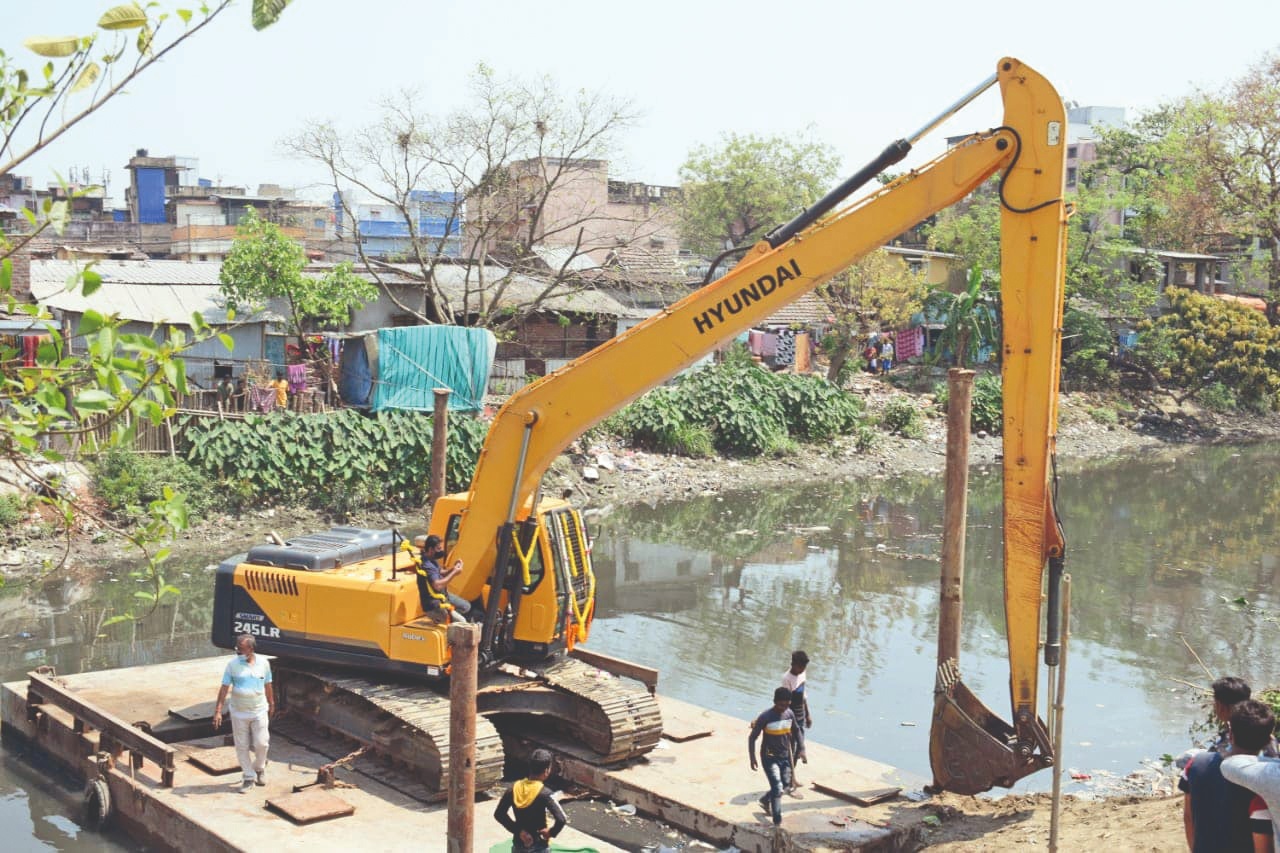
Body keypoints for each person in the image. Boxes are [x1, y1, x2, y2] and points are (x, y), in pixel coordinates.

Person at [1182, 698, 1276, 851]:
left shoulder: (1196, 765)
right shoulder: (1262, 783)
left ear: (1230, 733)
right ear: (1268, 740)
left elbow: (1188, 818)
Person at [212, 633, 275, 793]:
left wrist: (272, 703)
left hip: (259, 710)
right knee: (242, 745)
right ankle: (248, 777)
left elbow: (268, 684)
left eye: (241, 650)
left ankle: (259, 768)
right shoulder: (232, 665)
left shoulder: (264, 664)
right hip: (239, 712)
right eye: (237, 649)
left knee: (262, 743)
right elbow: (224, 688)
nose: (237, 652)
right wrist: (218, 710)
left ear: (251, 649)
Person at [493, 748, 567, 853]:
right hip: (539, 844)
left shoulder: (513, 789)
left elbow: (499, 814)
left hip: (519, 843)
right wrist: (550, 832)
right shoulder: (545, 794)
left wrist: (518, 831)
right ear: (547, 771)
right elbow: (561, 819)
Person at [749, 686, 802, 827]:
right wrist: (752, 757)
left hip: (784, 756)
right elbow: (752, 737)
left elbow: (797, 732)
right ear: (774, 701)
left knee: (785, 785)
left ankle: (766, 800)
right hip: (769, 756)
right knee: (778, 788)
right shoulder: (765, 717)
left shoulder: (789, 714)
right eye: (780, 705)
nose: (783, 708)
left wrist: (802, 748)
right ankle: (777, 821)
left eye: (786, 705)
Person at [416, 534, 471, 623]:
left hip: (444, 596)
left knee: (466, 606)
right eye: (438, 548)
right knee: (462, 621)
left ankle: (449, 618)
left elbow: (441, 572)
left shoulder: (432, 559)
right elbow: (437, 585)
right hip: (434, 605)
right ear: (430, 549)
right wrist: (454, 573)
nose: (441, 550)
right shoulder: (427, 565)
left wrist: (453, 568)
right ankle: (446, 619)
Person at [781, 650, 812, 793]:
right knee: (791, 749)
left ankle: (792, 777)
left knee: (799, 748)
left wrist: (808, 715)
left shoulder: (802, 674)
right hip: (791, 717)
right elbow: (784, 703)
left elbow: (804, 696)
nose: (803, 670)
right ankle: (786, 781)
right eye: (802, 667)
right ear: (795, 665)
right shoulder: (787, 679)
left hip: (800, 715)